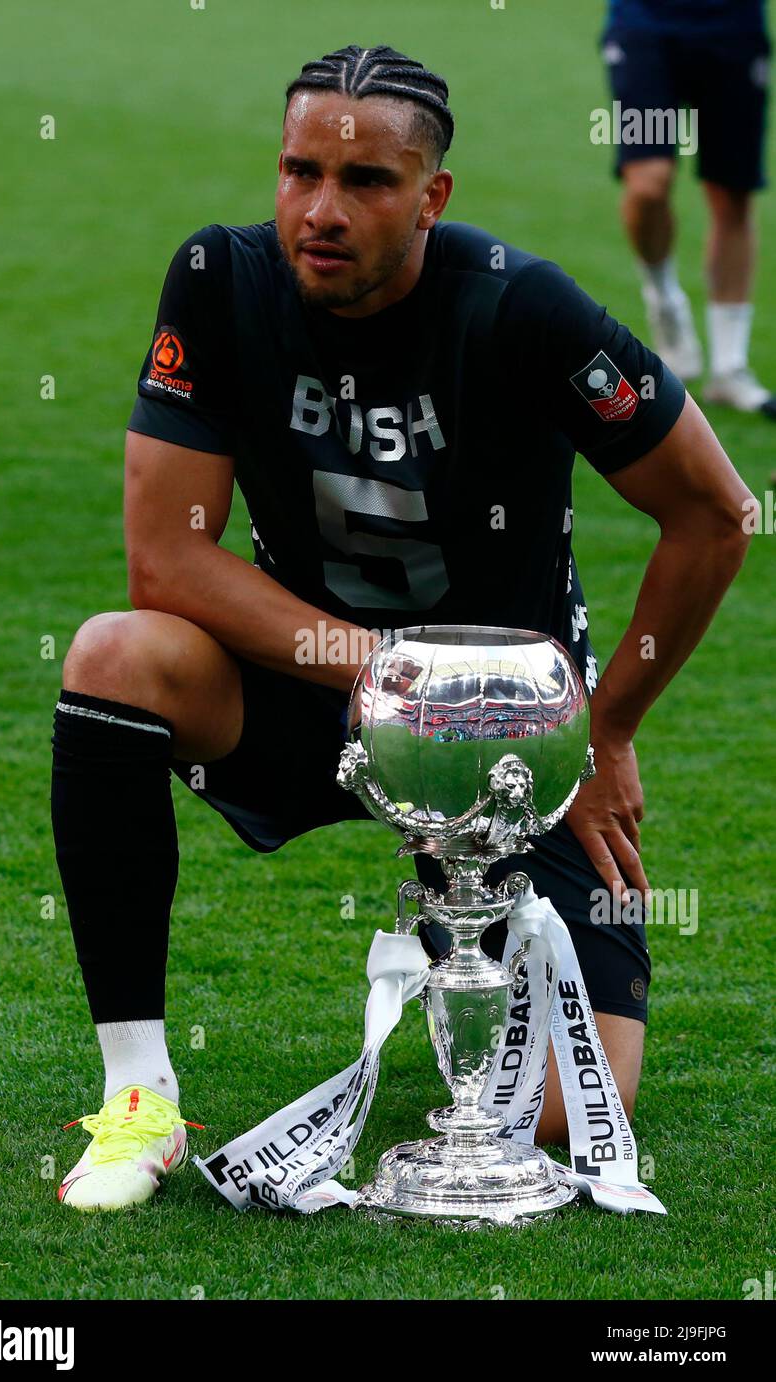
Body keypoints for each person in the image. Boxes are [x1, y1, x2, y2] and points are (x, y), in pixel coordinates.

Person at [51, 44, 753, 1211]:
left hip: (508, 742)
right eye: (298, 170)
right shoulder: (218, 281)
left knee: (570, 1117)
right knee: (114, 654)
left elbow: (715, 514)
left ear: (431, 197)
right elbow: (165, 555)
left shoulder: (516, 305)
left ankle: (461, 930)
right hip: (318, 693)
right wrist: (382, 666)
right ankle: (140, 1098)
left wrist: (609, 725)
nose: (320, 209)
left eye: (367, 181)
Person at [601, 0, 775, 415]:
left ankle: (729, 368)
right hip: (647, 26)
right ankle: (665, 303)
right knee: (648, 183)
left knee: (732, 193)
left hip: (734, 28)